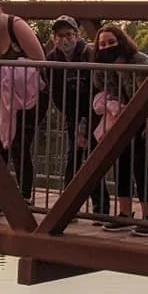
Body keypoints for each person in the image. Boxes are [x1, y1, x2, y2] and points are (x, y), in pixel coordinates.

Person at [0, 0, 47, 218]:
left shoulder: (16, 25)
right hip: (0, 97)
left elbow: (40, 60)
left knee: (19, 144)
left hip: (29, 94)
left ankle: (24, 195)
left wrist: (6, 70)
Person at [91, 25, 148, 235]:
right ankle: (124, 214)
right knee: (121, 162)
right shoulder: (103, 67)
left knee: (141, 164)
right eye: (102, 44)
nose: (107, 47)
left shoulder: (140, 61)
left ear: (122, 41)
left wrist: (143, 120)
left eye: (111, 42)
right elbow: (105, 90)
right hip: (122, 118)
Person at [46, 15, 110, 218]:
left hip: (93, 111)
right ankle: (69, 206)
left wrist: (86, 121)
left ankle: (101, 208)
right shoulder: (52, 58)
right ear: (54, 38)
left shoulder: (88, 53)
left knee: (94, 158)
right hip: (71, 112)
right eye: (60, 35)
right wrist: (74, 119)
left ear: (77, 34)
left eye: (69, 34)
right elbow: (55, 93)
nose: (65, 40)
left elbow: (97, 86)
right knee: (73, 158)